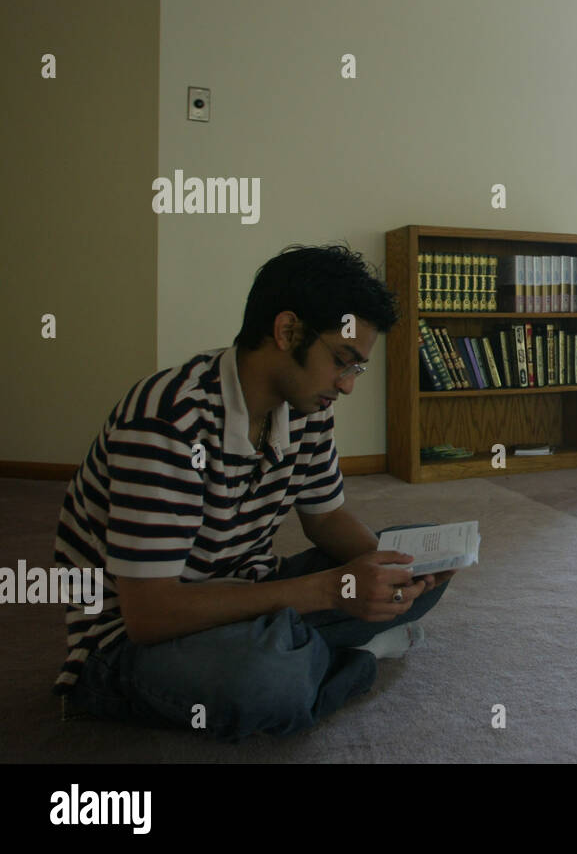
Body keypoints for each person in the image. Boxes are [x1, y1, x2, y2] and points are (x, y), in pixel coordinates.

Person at [53, 245, 455, 741]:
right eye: (342, 362)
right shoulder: (167, 422)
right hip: (134, 641)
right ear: (287, 332)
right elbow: (149, 614)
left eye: (358, 369)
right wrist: (332, 591)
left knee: (419, 549)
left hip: (251, 590)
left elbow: (326, 519)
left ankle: (300, 647)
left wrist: (391, 569)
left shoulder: (309, 408)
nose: (348, 386)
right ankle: (359, 657)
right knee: (269, 685)